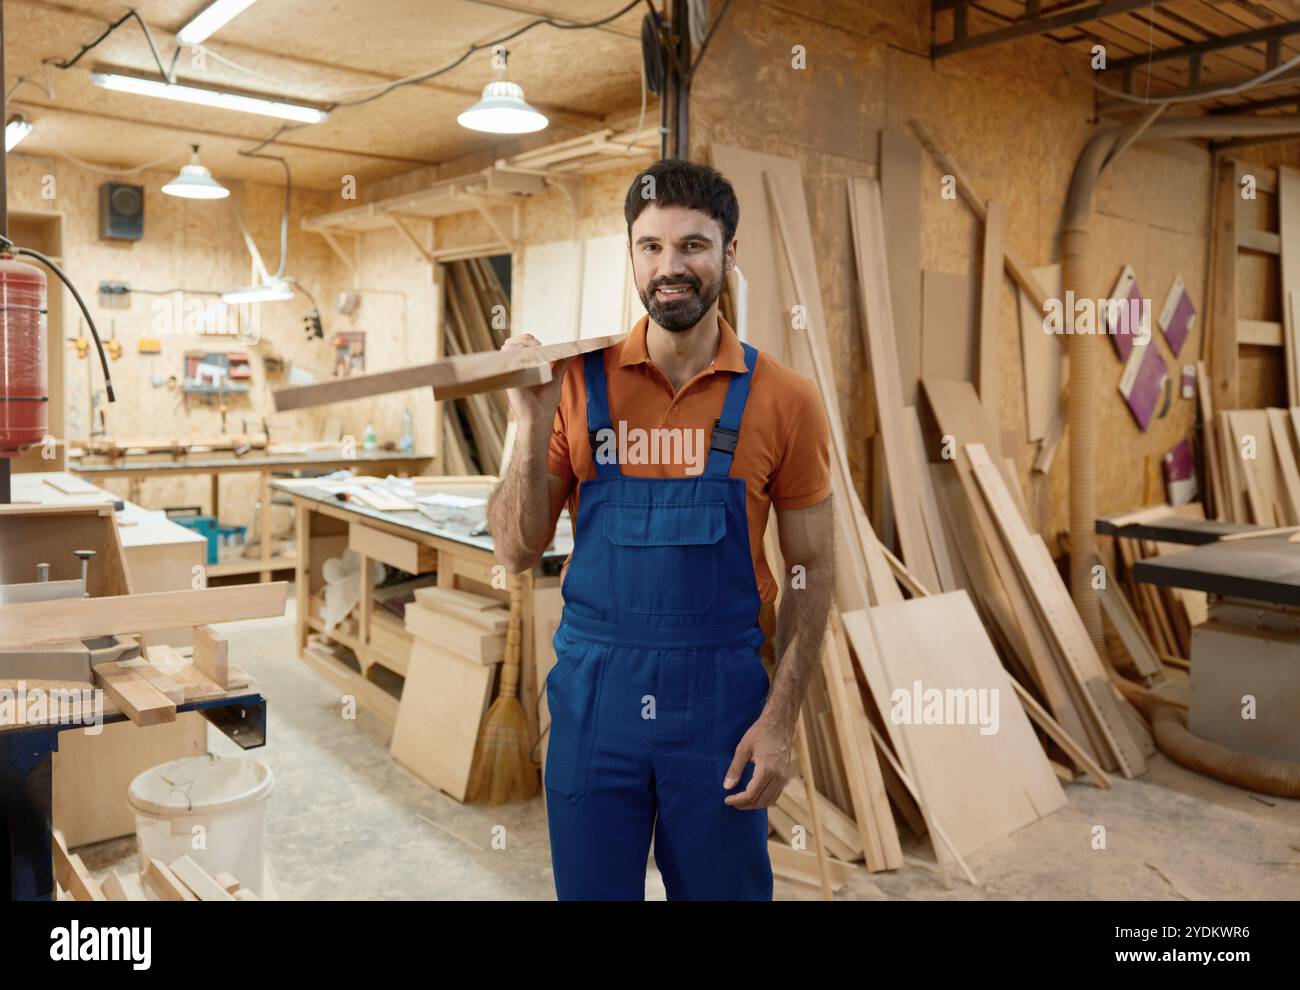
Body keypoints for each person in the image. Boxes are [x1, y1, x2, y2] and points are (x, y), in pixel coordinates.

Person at [487, 158, 835, 900]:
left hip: (722, 707)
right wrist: (531, 421)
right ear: (632, 254)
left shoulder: (786, 400)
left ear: (729, 253)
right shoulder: (578, 382)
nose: (669, 267)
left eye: (693, 246)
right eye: (651, 246)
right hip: (594, 701)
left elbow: (812, 568)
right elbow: (516, 549)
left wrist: (780, 723)